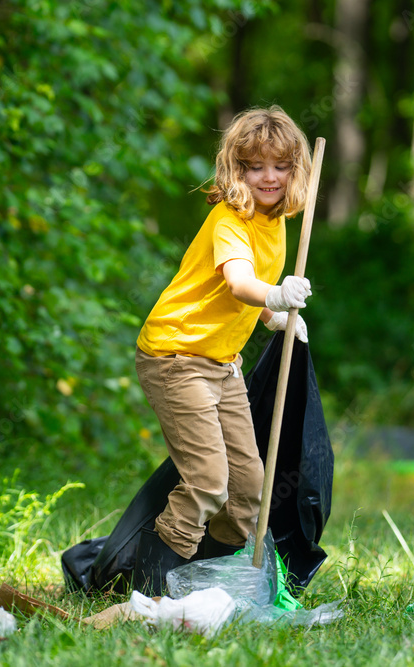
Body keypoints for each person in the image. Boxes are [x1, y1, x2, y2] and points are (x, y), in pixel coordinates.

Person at [132, 105, 314, 594]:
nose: (268, 178)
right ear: (237, 169)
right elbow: (238, 281)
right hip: (176, 357)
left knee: (248, 488)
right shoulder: (230, 219)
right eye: (255, 166)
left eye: (280, 166)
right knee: (209, 483)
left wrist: (272, 317)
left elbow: (247, 289)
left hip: (221, 364)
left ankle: (210, 582)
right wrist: (273, 296)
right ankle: (150, 585)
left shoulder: (275, 223)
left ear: (298, 170)